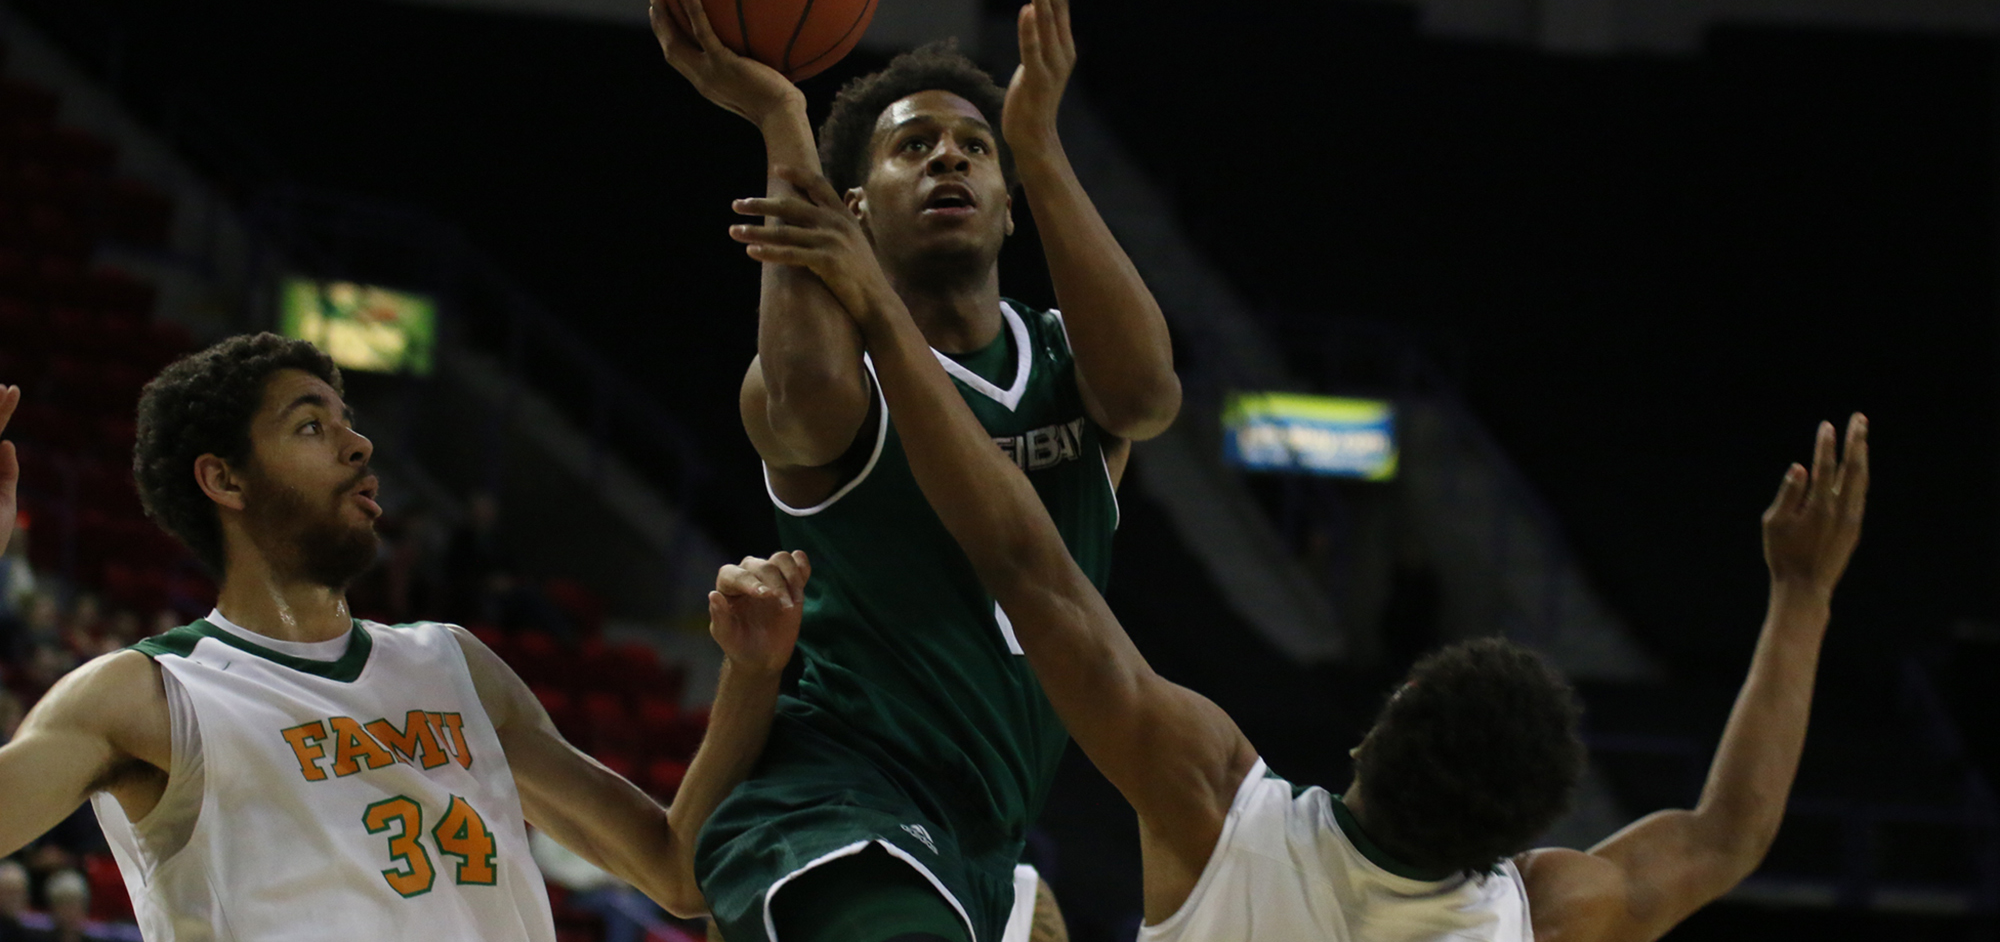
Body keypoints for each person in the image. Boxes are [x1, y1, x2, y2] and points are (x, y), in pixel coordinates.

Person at [729, 164, 1872, 942]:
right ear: (1516, 833)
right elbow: (1730, 832)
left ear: (1379, 724)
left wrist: (880, 314)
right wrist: (1802, 595)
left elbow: (1029, 569)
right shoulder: (1547, 914)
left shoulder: (1215, 804)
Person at [652, 0, 1174, 942]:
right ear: (853, 207)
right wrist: (781, 124)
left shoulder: (1067, 363)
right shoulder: (830, 377)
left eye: (974, 150)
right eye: (912, 146)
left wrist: (1040, 145)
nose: (948, 158)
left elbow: (1147, 395)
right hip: (837, 806)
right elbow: (801, 401)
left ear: (1007, 205)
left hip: (983, 833)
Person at [0, 342, 808, 938]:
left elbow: (675, 870)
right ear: (225, 479)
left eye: (348, 422)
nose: (359, 445)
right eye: (311, 426)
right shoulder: (148, 694)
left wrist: (749, 672)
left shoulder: (456, 667)